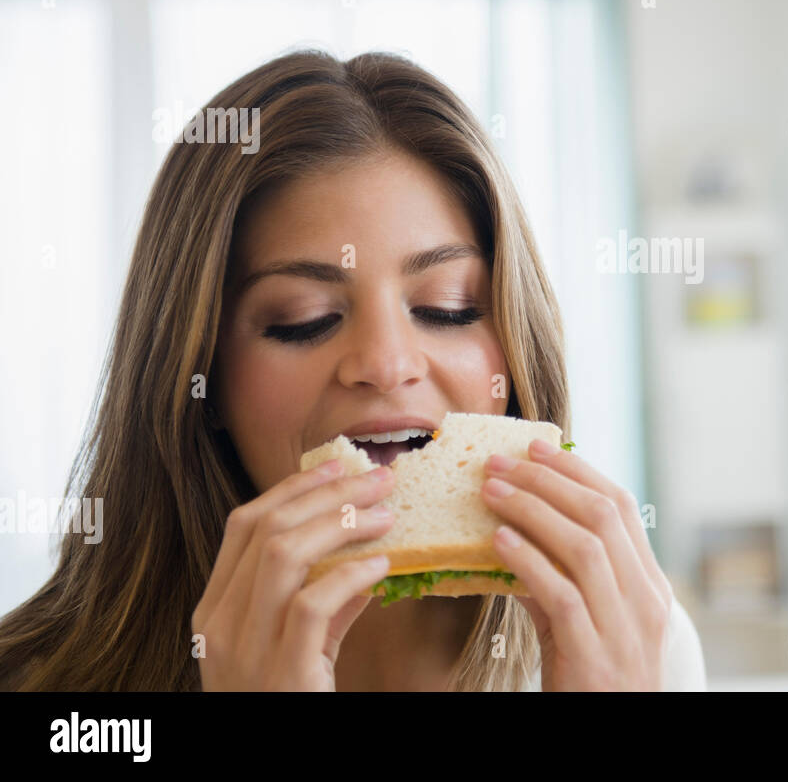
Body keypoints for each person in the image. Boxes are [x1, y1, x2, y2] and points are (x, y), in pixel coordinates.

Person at [0, 49, 706, 691]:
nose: (387, 364)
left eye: (448, 307)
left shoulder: (639, 642)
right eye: (302, 319)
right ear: (200, 377)